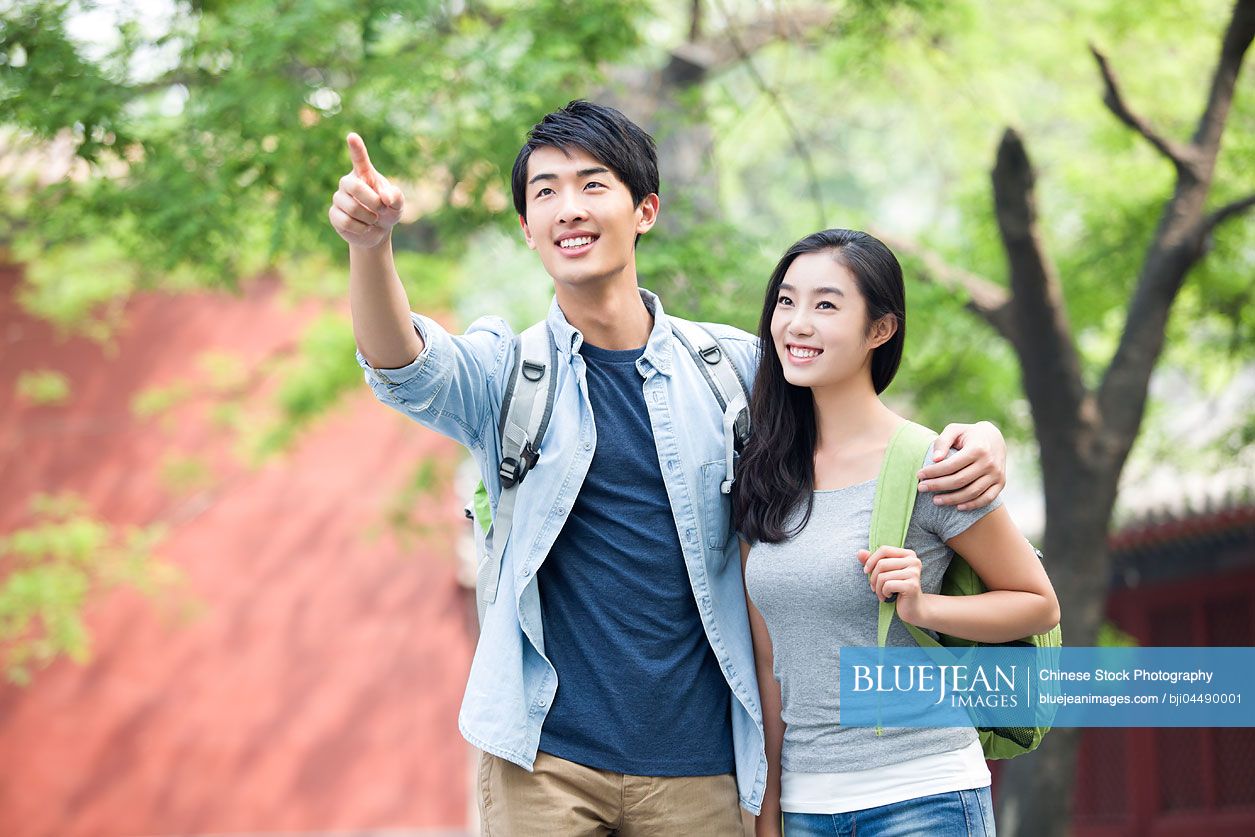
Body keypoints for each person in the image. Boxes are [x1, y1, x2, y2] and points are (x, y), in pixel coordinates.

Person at [329, 101, 1011, 835]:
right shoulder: (507, 375)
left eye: (593, 185)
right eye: (545, 192)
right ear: (526, 229)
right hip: (544, 761)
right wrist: (371, 247)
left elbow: (862, 434)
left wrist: (978, 436)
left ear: (644, 209)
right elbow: (405, 364)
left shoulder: (735, 371)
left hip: (700, 765)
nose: (568, 208)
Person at [734, 229, 1060, 837]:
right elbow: (769, 658)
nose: (797, 323)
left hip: (922, 795)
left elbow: (1037, 604)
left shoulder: (929, 465)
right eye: (785, 301)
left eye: (826, 305)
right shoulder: (765, 470)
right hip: (808, 805)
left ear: (880, 329)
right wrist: (768, 809)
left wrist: (922, 604)